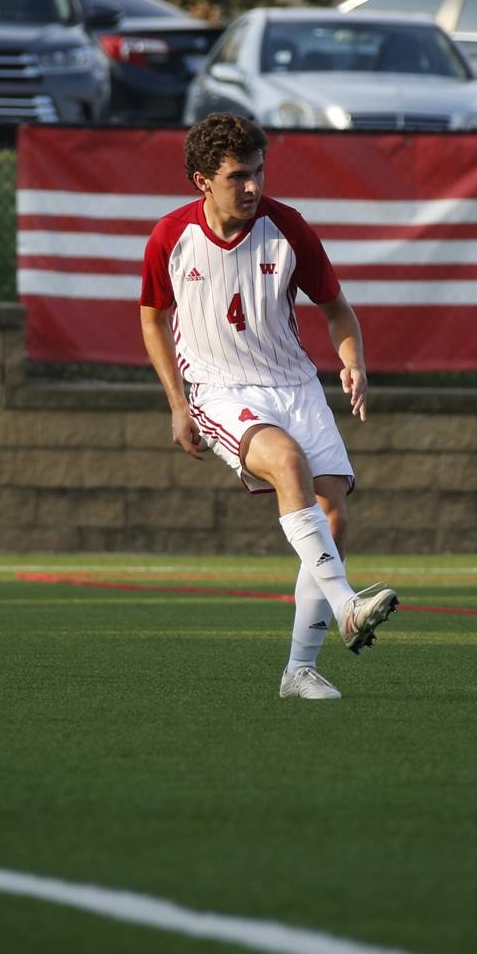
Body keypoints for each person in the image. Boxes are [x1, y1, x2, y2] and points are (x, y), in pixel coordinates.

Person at [138, 112, 399, 701]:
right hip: (219, 389)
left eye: (258, 172)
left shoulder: (288, 228)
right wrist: (177, 403)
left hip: (295, 384)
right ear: (202, 181)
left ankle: (298, 672)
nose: (253, 186)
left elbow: (337, 309)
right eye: (237, 176)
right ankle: (346, 606)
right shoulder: (170, 238)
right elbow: (152, 318)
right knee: (286, 463)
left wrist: (351, 360)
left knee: (332, 517)